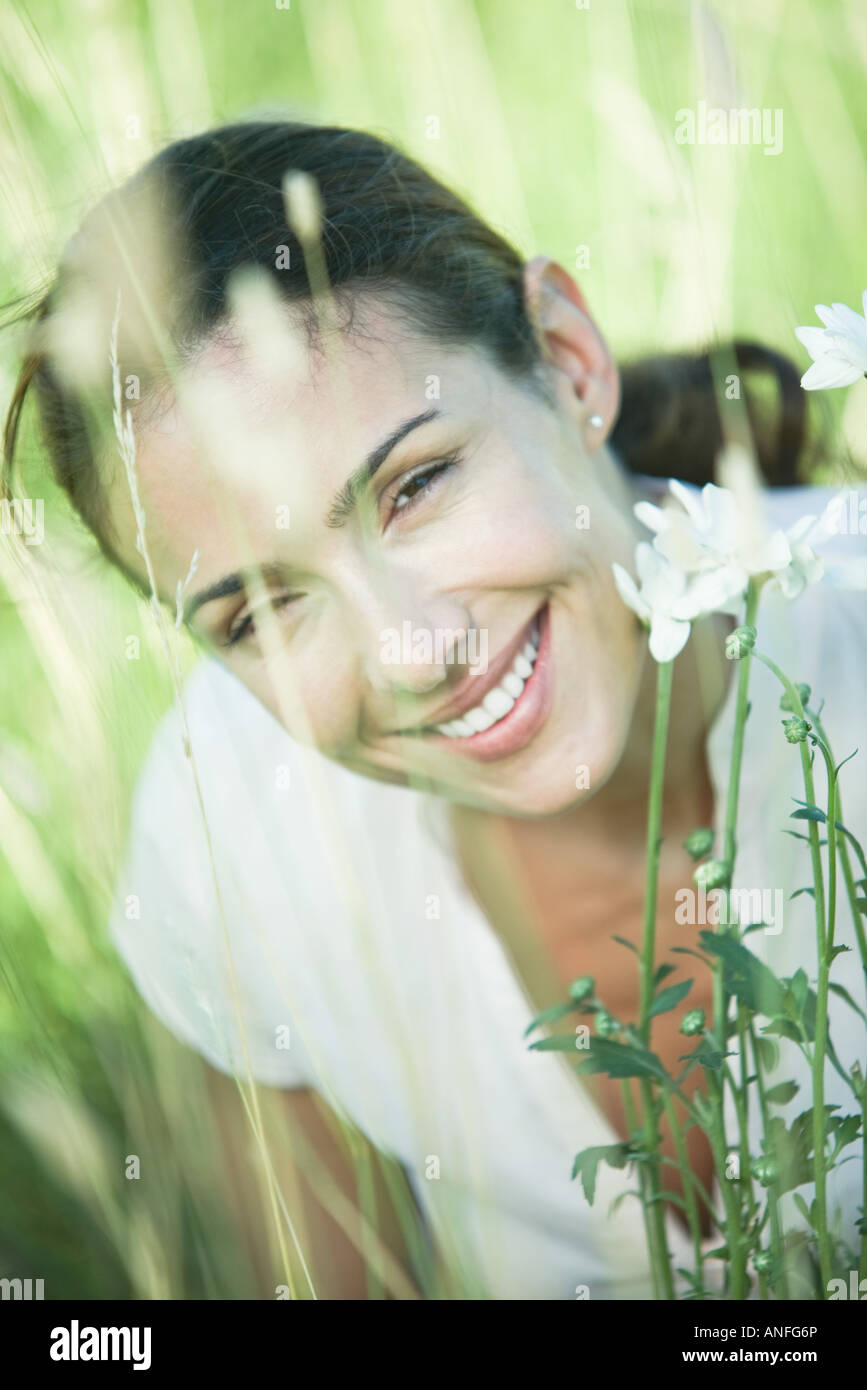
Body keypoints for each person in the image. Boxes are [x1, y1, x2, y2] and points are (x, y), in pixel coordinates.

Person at [3, 120, 865, 1299]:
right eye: (261, 610)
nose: (408, 654)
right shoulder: (229, 833)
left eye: (415, 486)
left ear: (566, 357)